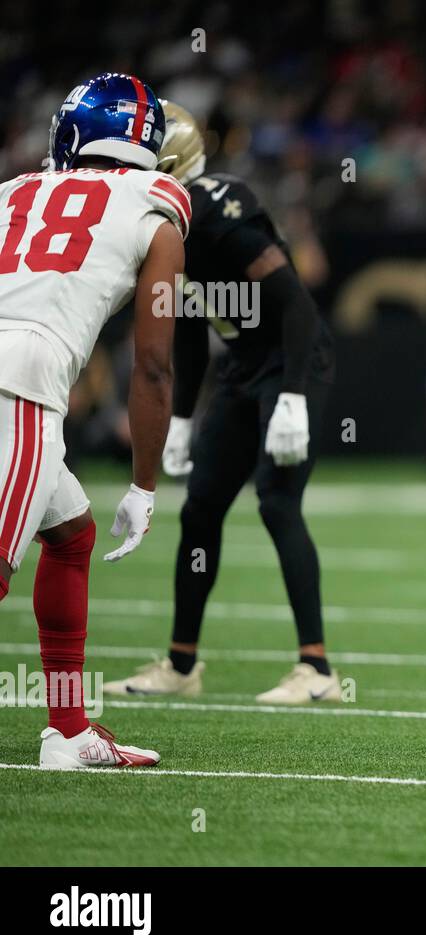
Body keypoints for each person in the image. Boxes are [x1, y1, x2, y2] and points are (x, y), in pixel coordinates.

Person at [104, 101, 339, 703]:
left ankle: (317, 670)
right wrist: (181, 415)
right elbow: (188, 325)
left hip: (291, 360)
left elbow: (295, 306)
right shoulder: (166, 229)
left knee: (276, 502)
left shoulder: (219, 207)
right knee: (201, 507)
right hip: (240, 367)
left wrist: (291, 397)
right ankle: (182, 665)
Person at [0, 72, 187, 766]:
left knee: (71, 534)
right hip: (19, 377)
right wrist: (144, 485)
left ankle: (70, 732)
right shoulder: (157, 209)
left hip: (17, 370)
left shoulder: (14, 191)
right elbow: (154, 364)